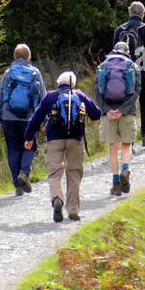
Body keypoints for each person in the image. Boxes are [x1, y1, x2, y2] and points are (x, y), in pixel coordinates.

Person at [24, 70, 101, 223]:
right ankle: (73, 211)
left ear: (59, 82)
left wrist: (28, 137)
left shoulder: (50, 96)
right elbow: (96, 114)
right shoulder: (79, 96)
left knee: (55, 173)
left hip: (54, 140)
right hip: (75, 140)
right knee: (74, 173)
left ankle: (57, 199)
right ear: (73, 84)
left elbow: (36, 118)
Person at [0, 43, 45, 196]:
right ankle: (24, 172)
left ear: (15, 57)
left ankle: (18, 186)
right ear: (29, 57)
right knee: (30, 146)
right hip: (29, 118)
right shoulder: (35, 73)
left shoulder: (8, 73)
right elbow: (42, 97)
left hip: (8, 117)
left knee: (13, 149)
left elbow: (0, 98)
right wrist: (45, 121)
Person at [95, 41, 139, 197]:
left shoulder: (102, 66)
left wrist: (107, 111)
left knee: (112, 148)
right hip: (126, 112)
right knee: (126, 144)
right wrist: (122, 110)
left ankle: (116, 184)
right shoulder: (132, 66)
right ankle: (125, 169)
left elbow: (98, 92)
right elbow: (136, 91)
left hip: (108, 114)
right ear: (127, 52)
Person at [113, 1, 145, 147]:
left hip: (124, 74)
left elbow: (114, 52)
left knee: (127, 105)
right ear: (142, 14)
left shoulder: (119, 31)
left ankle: (128, 141)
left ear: (129, 13)